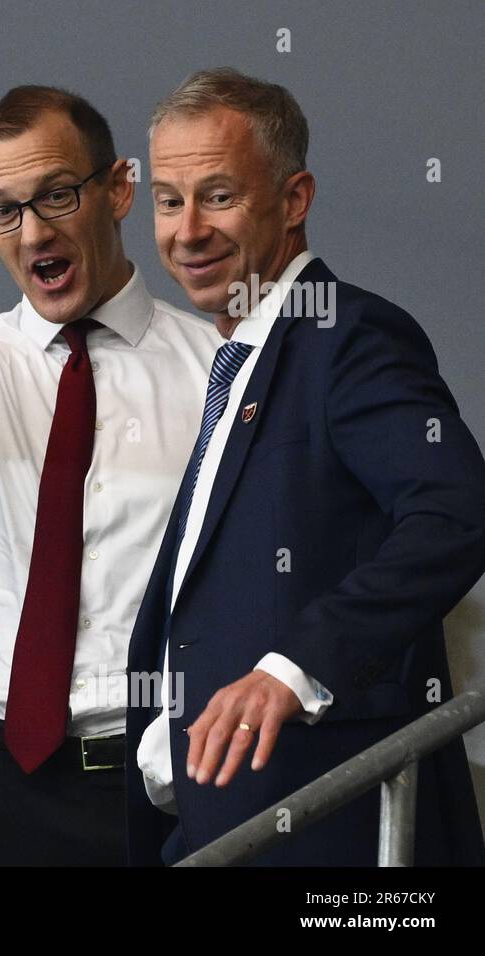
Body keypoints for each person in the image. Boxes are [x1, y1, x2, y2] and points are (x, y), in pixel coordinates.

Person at [128, 68, 485, 866]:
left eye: (217, 196)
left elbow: (457, 510)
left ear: (294, 200)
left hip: (329, 831)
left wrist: (297, 668)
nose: (186, 231)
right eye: (167, 199)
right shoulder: (238, 363)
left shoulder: (348, 337)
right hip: (218, 823)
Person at [0, 86, 221, 864]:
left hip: (167, 777)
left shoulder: (218, 372)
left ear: (120, 188)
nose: (32, 232)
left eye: (57, 195)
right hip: (5, 785)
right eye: (2, 209)